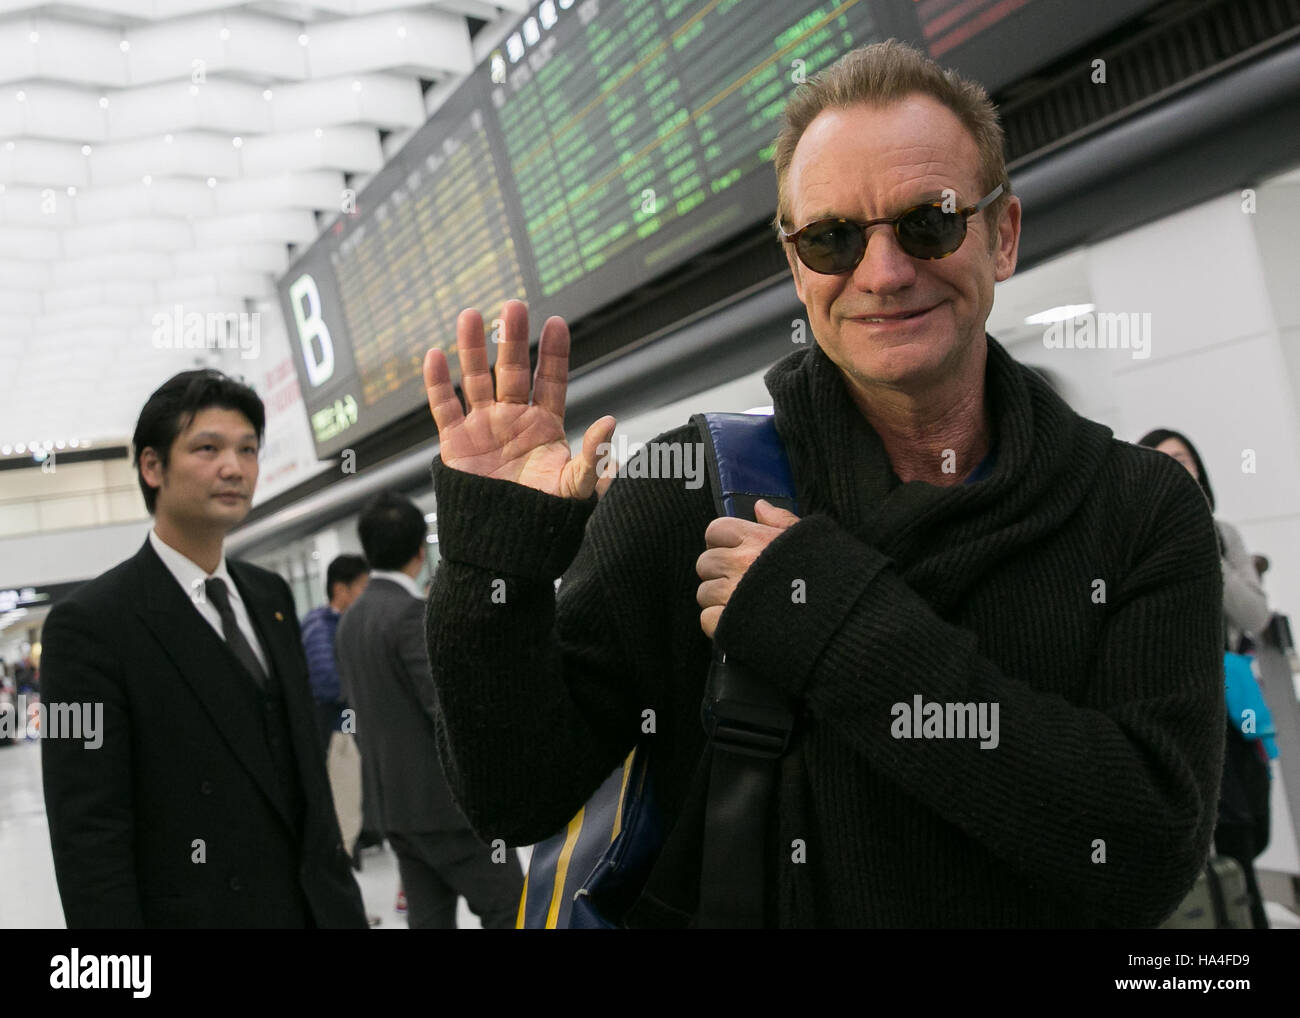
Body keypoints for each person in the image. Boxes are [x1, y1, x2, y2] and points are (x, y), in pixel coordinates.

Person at [421, 40, 1225, 927]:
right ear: (797, 267)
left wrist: (831, 621)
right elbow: (517, 795)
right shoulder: (690, 494)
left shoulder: (1140, 508)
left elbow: (1145, 849)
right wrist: (492, 562)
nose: (884, 273)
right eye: (833, 238)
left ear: (1002, 235)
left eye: (929, 221)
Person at [40, 369, 367, 928]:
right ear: (152, 467)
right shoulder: (88, 626)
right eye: (207, 448)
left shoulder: (270, 596)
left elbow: (306, 782)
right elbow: (87, 833)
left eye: (248, 449)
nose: (234, 467)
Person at [336, 492, 523, 928]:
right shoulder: (410, 615)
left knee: (428, 921)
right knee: (513, 910)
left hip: (395, 809)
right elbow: (446, 711)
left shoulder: (350, 621)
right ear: (421, 550)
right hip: (448, 810)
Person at [1139, 427, 1273, 929]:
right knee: (1224, 829)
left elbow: (1255, 615)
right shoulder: (1139, 536)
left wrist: (1200, 541)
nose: (1177, 466)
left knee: (1253, 824)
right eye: (1162, 459)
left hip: (1234, 701)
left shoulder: (1223, 535)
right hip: (1182, 703)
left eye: (1183, 457)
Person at [302, 553, 370, 758]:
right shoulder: (320, 627)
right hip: (339, 728)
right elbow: (326, 682)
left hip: (353, 723)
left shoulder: (352, 624)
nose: (366, 594)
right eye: (362, 587)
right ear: (340, 589)